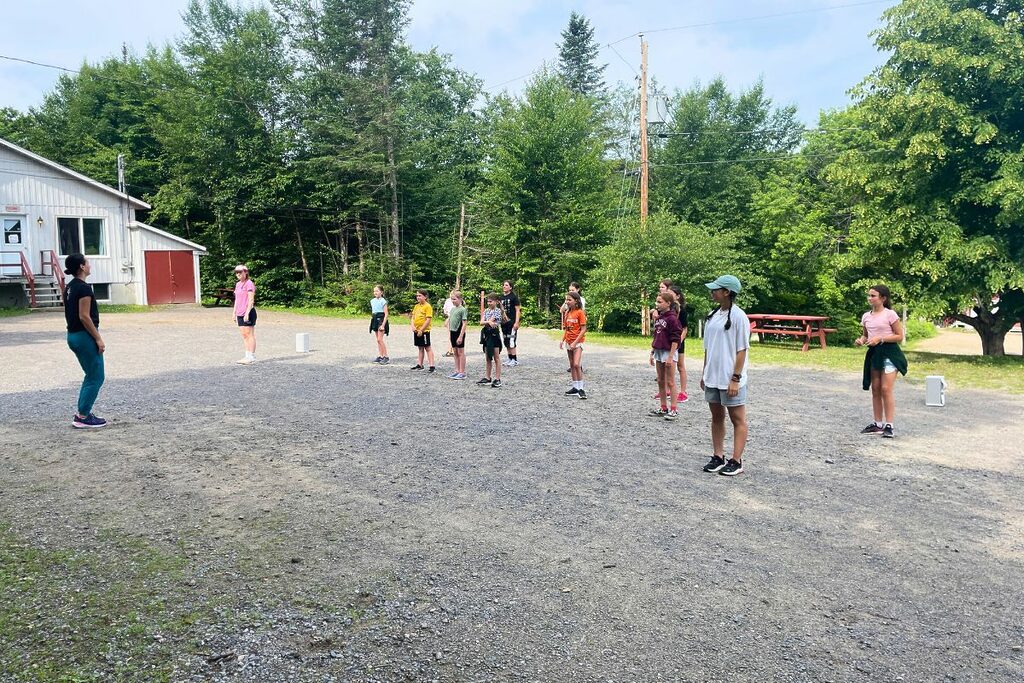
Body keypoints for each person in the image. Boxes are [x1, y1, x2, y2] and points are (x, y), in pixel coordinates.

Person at [700, 275, 750, 477]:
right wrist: (705, 373)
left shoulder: (739, 317)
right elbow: (708, 348)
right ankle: (718, 456)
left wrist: (735, 379)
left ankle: (736, 460)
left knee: (737, 418)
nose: (712, 292)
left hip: (730, 378)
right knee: (717, 417)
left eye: (716, 289)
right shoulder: (712, 315)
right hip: (713, 377)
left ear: (727, 292)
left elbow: (742, 350)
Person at [855, 284, 907, 438]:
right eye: (869, 295)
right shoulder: (866, 316)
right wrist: (861, 340)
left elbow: (899, 336)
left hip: (890, 354)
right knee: (876, 389)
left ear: (883, 298)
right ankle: (878, 424)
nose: (869, 298)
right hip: (874, 354)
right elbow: (866, 335)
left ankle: (889, 425)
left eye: (873, 296)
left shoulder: (890, 314)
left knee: (886, 389)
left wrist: (881, 339)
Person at [63, 253, 106, 429]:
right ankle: (83, 416)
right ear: (81, 266)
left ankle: (82, 413)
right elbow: (84, 316)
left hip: (73, 335)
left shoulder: (70, 287)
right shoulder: (84, 288)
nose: (89, 265)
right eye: (87, 262)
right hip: (84, 336)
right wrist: (98, 338)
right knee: (96, 376)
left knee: (91, 375)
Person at [648, 290, 683, 420]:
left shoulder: (672, 319)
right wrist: (652, 352)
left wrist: (671, 356)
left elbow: (676, 339)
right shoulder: (660, 318)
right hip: (659, 351)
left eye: (660, 302)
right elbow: (657, 336)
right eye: (656, 302)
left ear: (668, 303)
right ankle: (663, 407)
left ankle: (674, 409)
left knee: (670, 381)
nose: (657, 304)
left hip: (669, 352)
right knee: (660, 380)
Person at [561, 291, 588, 399]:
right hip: (569, 342)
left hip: (577, 342)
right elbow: (566, 329)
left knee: (577, 364)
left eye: (569, 300)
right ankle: (575, 387)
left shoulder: (580, 312)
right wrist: (562, 340)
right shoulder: (567, 313)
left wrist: (575, 342)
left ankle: (581, 388)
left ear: (576, 301)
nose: (567, 302)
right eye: (566, 299)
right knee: (572, 365)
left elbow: (583, 329)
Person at [479, 293, 505, 387]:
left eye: (491, 301)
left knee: (496, 357)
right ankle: (488, 377)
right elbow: (482, 322)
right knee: (488, 357)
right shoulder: (486, 310)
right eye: (488, 301)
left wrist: (488, 322)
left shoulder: (498, 311)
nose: (489, 303)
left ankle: (497, 378)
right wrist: (488, 322)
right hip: (487, 334)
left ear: (496, 302)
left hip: (494, 335)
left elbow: (492, 322)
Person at [233, 264, 257, 364]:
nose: (238, 274)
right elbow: (237, 299)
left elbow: (251, 300)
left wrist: (247, 313)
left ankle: (251, 356)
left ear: (245, 272)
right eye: (236, 272)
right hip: (239, 312)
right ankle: (247, 355)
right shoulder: (238, 284)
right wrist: (234, 312)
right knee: (244, 335)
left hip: (248, 312)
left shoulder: (249, 284)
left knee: (249, 334)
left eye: (240, 272)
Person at [560, 282, 586, 373]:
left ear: (578, 290)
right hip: (569, 323)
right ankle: (575, 368)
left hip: (577, 325)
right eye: (569, 290)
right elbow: (561, 310)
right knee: (572, 360)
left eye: (573, 290)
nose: (571, 291)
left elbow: (581, 311)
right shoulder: (568, 300)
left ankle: (578, 366)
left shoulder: (581, 300)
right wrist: (566, 301)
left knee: (576, 355)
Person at [410, 289, 436, 373]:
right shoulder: (416, 306)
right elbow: (413, 317)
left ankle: (432, 365)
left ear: (425, 297)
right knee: (420, 347)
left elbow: (428, 319)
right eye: (417, 296)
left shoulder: (427, 306)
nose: (418, 297)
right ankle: (420, 364)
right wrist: (413, 326)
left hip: (424, 331)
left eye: (420, 296)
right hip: (416, 330)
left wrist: (421, 330)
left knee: (427, 347)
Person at [500, 280, 521, 367]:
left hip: (512, 323)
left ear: (510, 287)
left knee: (511, 340)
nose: (504, 286)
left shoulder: (514, 297)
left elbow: (518, 310)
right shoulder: (501, 297)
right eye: (503, 285)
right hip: (504, 323)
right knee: (506, 340)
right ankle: (509, 358)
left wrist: (516, 322)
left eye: (506, 285)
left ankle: (514, 360)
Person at [447, 290, 468, 380]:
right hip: (453, 332)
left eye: (454, 299)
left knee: (460, 352)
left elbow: (464, 323)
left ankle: (462, 372)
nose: (453, 301)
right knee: (455, 352)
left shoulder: (463, 310)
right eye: (452, 299)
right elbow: (450, 320)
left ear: (460, 299)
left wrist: (460, 336)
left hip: (459, 333)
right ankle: (457, 370)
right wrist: (449, 332)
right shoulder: (452, 309)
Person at [369, 285, 390, 364]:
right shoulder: (372, 301)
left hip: (381, 319)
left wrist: (383, 325)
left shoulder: (383, 301)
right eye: (374, 291)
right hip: (375, 319)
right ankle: (381, 356)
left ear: (381, 292)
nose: (375, 292)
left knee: (379, 339)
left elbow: (386, 314)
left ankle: (386, 357)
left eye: (377, 291)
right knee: (378, 340)